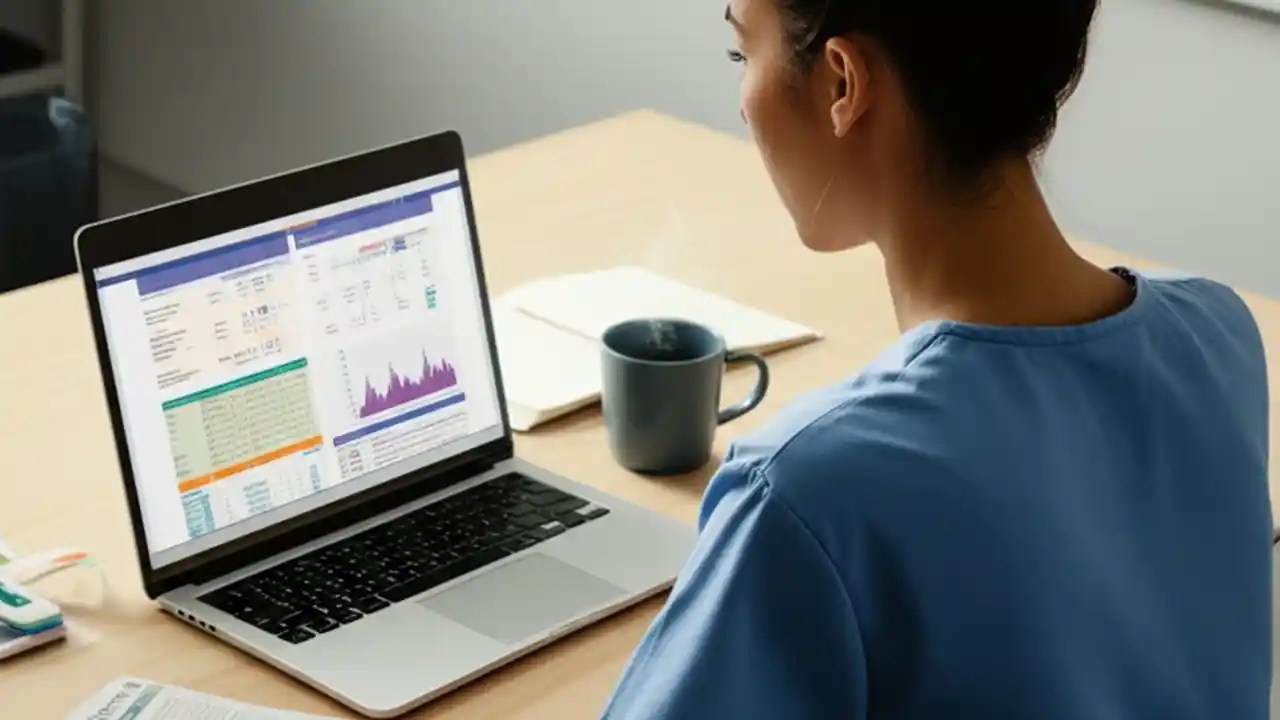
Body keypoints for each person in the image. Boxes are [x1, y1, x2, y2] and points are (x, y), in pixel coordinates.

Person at [602, 0, 1273, 717]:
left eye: (743, 54)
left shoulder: (811, 491)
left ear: (842, 85)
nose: (742, 103)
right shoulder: (1217, 336)